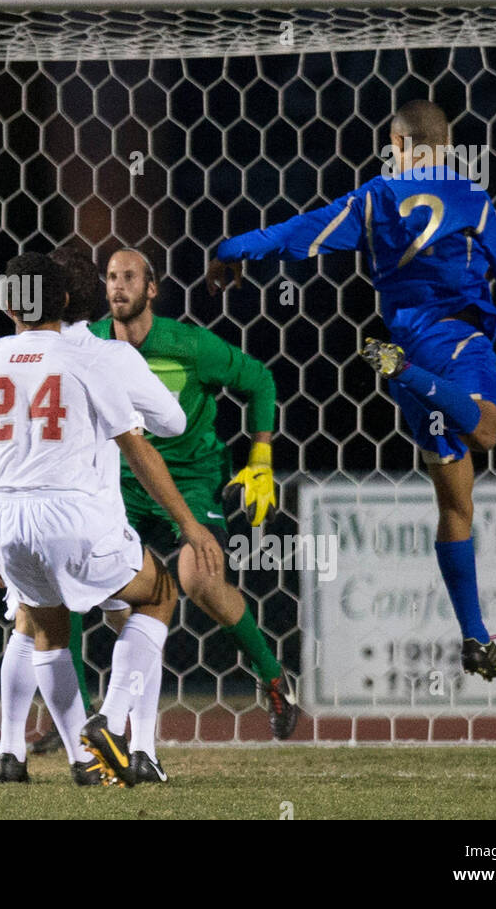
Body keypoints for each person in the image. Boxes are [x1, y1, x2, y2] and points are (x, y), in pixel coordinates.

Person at [207, 99, 496, 681]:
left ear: (397, 146)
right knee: (485, 428)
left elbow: (300, 231)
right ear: (447, 148)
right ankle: (404, 371)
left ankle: (475, 638)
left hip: (404, 341)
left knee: (456, 502)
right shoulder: (472, 198)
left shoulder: (374, 197)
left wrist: (233, 249)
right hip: (454, 343)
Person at [0, 253, 221, 787]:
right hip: (72, 513)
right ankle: (112, 720)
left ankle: (81, 762)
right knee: (158, 593)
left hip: (3, 520)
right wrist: (189, 523)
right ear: (70, 302)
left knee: (44, 632)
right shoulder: (87, 358)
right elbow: (141, 450)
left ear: (9, 305)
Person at [83, 246, 299, 748]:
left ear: (151, 289)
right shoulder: (90, 342)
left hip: (191, 482)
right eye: (111, 277)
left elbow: (260, 379)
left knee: (197, 577)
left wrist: (261, 457)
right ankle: (80, 715)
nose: (118, 286)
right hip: (124, 488)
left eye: (130, 277)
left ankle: (273, 678)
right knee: (99, 590)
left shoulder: (188, 345)